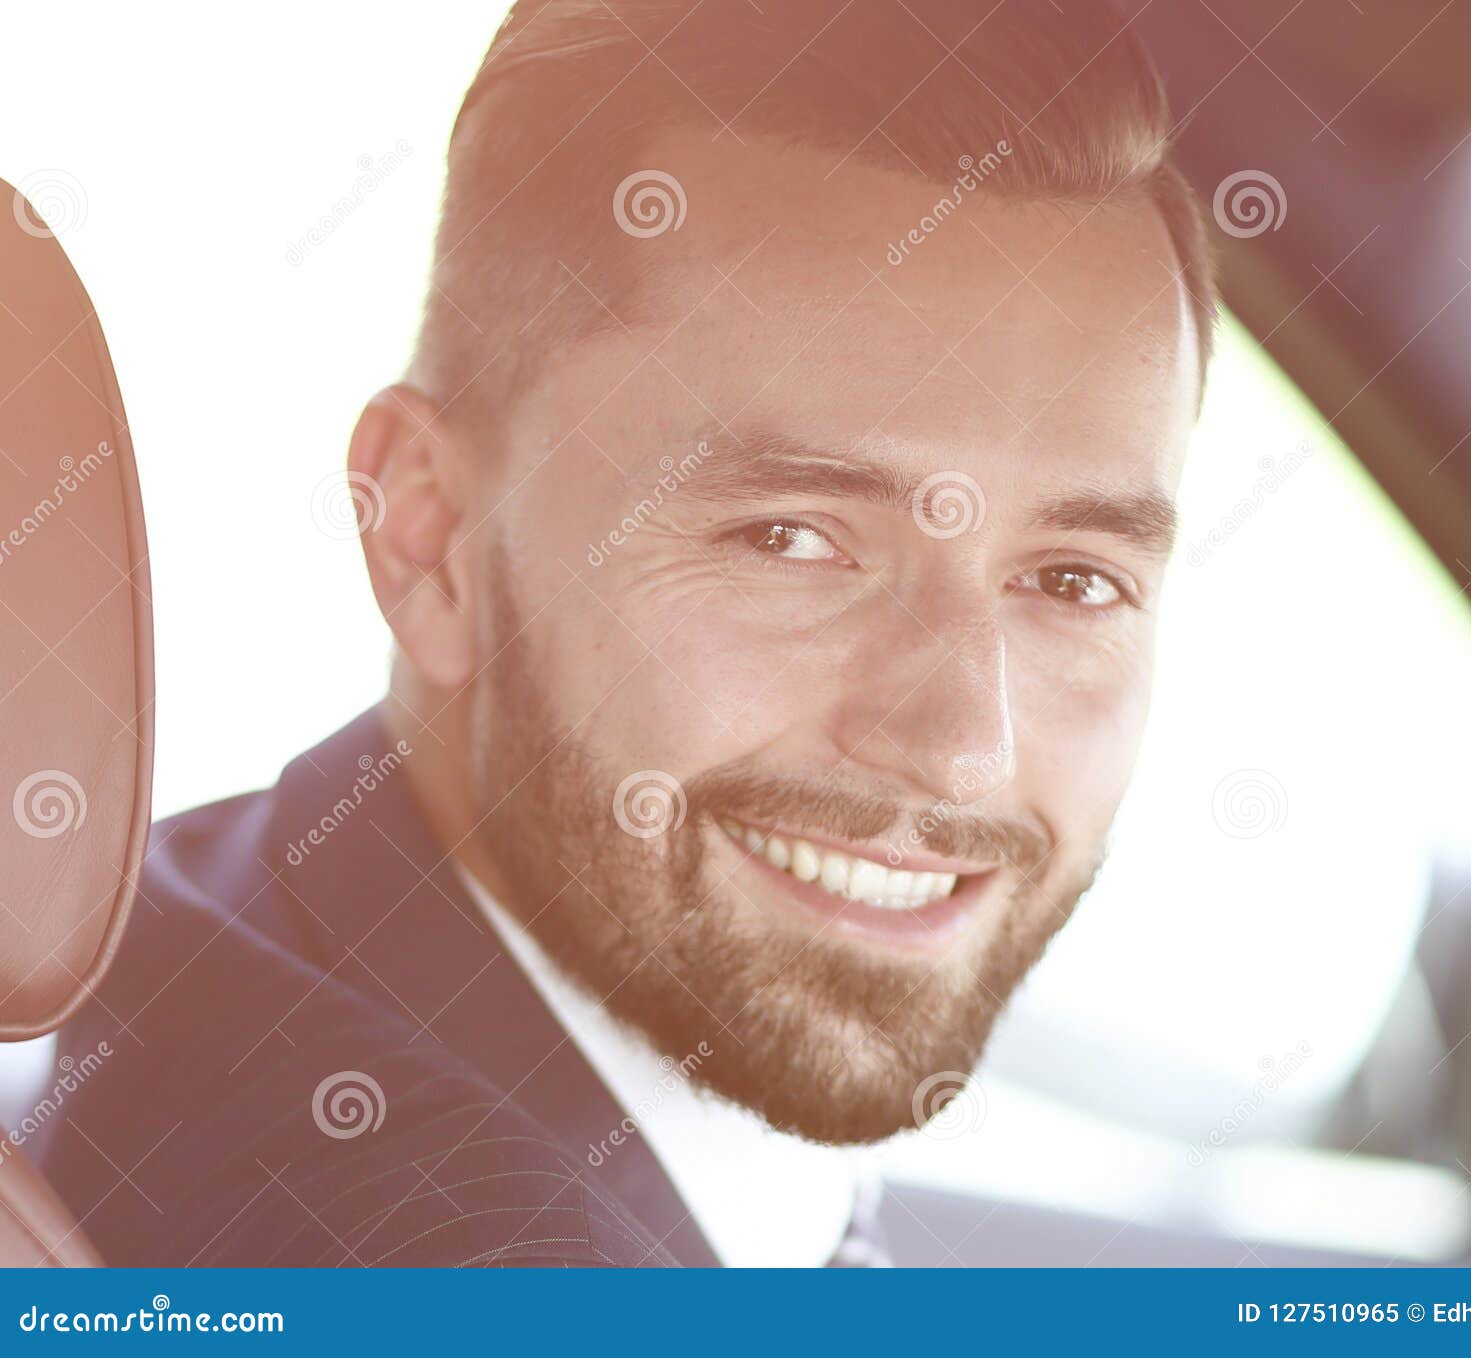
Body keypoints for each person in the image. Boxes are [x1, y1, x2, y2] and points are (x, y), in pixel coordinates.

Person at [41, 0, 1215, 1267]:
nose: (960, 748)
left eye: (1071, 579)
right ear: (428, 536)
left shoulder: (217, 931)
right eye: (792, 540)